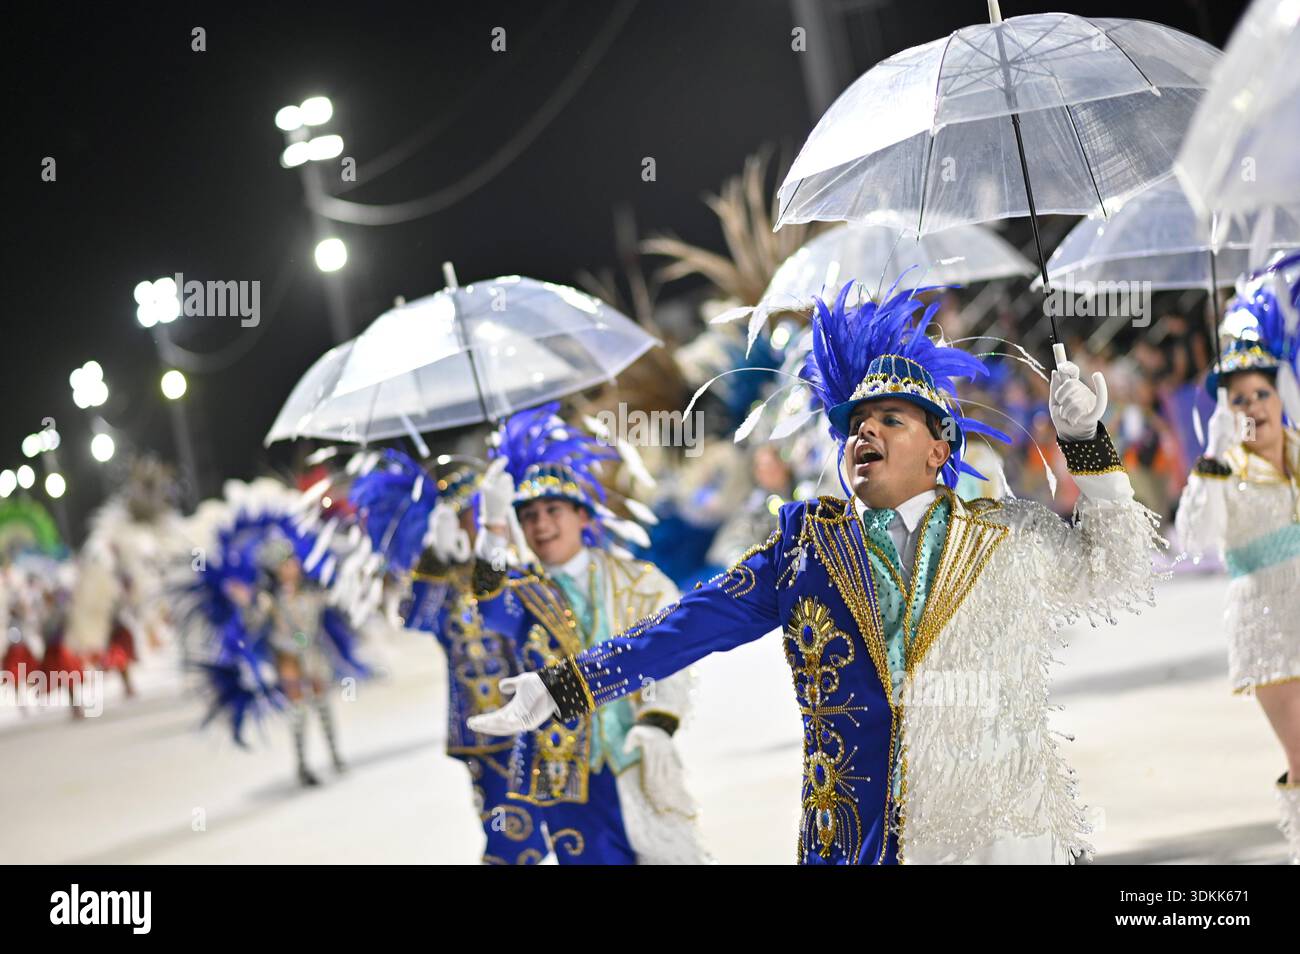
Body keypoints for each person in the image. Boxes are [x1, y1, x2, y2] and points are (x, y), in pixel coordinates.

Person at [470, 281, 1162, 865]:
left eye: (891, 419)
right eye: (856, 424)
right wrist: (569, 684)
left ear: (939, 445)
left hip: (1001, 834)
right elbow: (687, 626)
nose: (866, 433)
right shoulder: (807, 547)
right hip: (855, 841)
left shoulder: (1004, 533)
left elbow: (1117, 568)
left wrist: (1087, 446)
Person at [450, 403, 709, 864]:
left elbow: (672, 651)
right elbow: (489, 606)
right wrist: (491, 529)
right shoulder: (523, 595)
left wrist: (658, 722)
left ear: (584, 517)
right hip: (565, 774)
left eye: (553, 510)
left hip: (635, 759)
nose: (542, 524)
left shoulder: (640, 582)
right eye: (528, 516)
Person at [349, 452, 550, 864]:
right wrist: (435, 559)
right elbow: (413, 618)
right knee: (504, 827)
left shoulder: (515, 570)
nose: (472, 523)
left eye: (479, 513)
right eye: (464, 516)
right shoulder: (441, 584)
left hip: (535, 717)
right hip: (479, 729)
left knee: (550, 823)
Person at [1175, 272, 1300, 863]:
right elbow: (1196, 537)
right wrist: (1210, 462)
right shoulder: (1222, 468)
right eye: (1239, 400)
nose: (1252, 407)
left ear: (1280, 395)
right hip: (1268, 628)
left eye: (1260, 394)